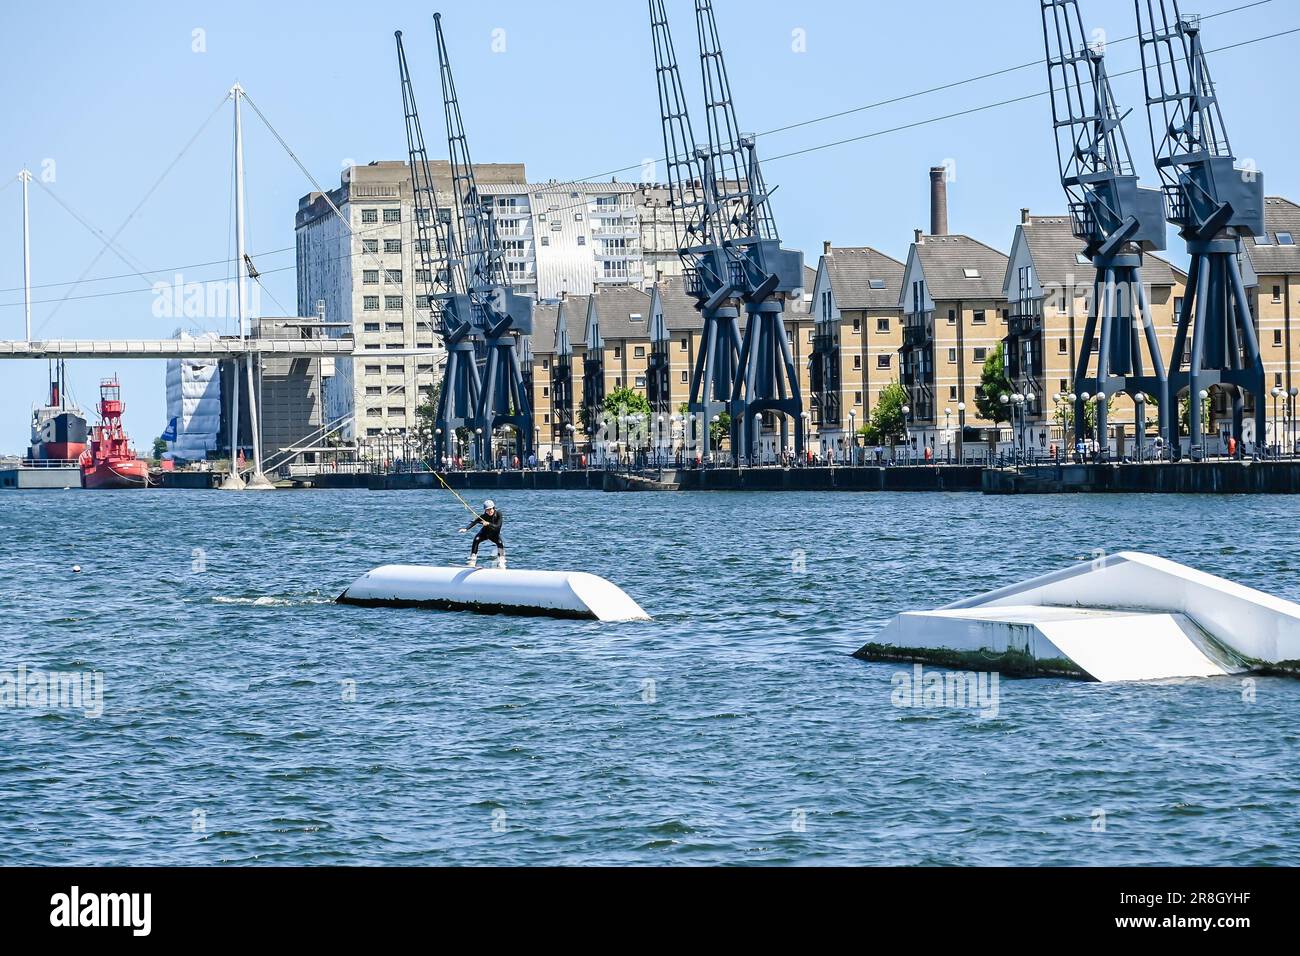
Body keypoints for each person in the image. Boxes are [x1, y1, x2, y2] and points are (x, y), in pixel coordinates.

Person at [461, 500, 505, 568]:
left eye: (490, 509)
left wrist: (488, 523)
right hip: (485, 533)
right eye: (487, 510)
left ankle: (501, 562)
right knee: (476, 539)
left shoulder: (499, 514)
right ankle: (472, 560)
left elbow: (498, 526)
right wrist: (466, 529)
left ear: (493, 508)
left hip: (494, 535)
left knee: (500, 543)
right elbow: (474, 522)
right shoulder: (483, 516)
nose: (489, 511)